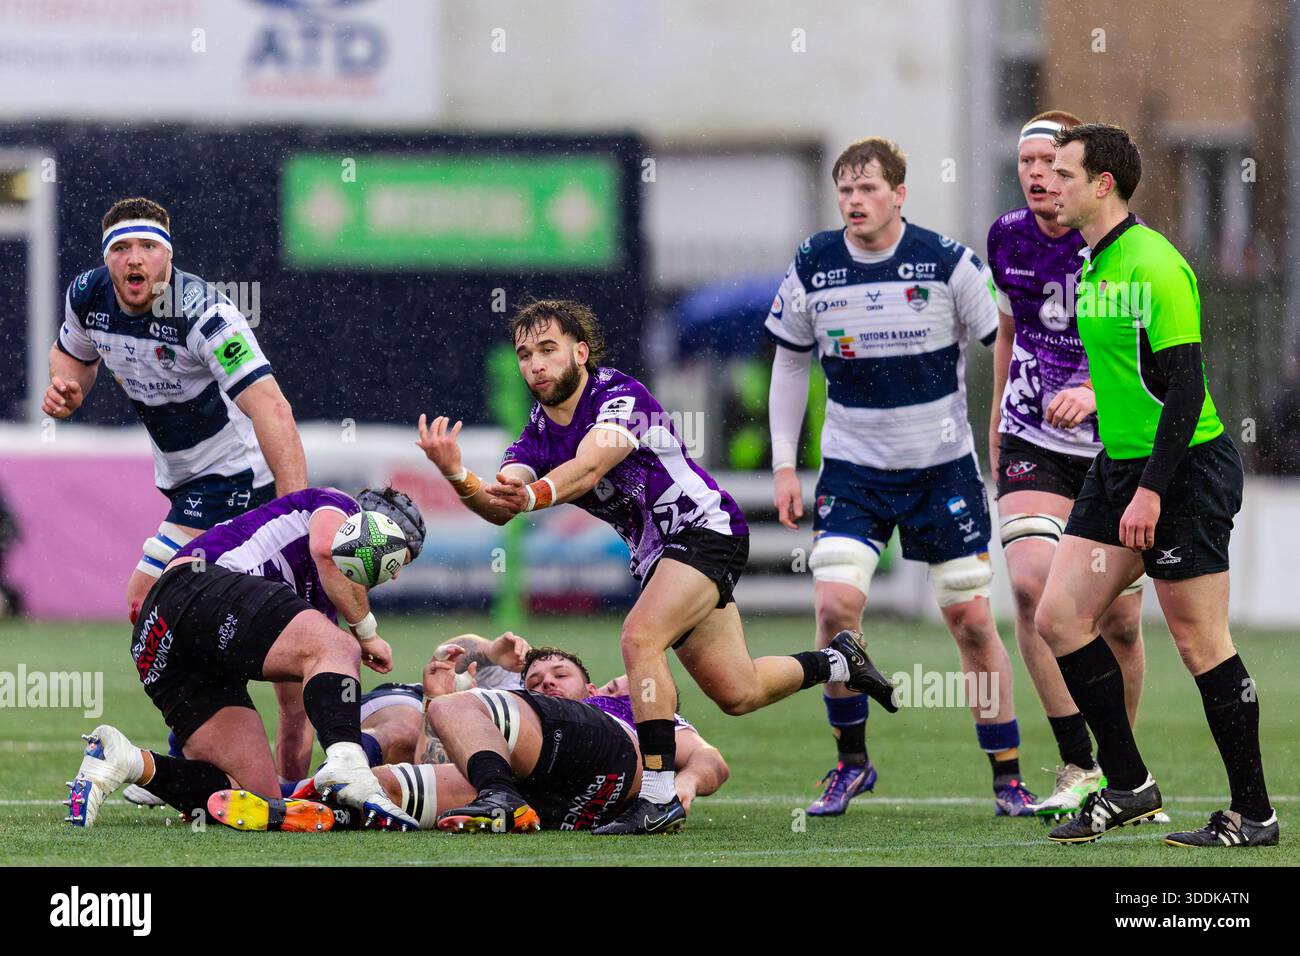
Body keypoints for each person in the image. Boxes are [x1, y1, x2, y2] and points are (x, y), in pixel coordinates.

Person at [417, 298, 898, 834]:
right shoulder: (536, 430)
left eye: (549, 349)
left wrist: (526, 496)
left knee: (638, 638)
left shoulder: (620, 395)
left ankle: (658, 794)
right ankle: (839, 660)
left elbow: (589, 465)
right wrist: (458, 474)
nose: (535, 364)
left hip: (704, 529)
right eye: (525, 354)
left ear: (581, 352)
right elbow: (501, 506)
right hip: (658, 556)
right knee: (738, 692)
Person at [767, 137, 1035, 817]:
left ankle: (1008, 776)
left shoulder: (947, 263)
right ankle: (851, 765)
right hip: (853, 471)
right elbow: (792, 361)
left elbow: (1007, 340)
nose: (853, 202)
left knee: (972, 621)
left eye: (867, 189)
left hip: (942, 470)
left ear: (898, 194)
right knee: (833, 612)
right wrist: (783, 462)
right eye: (845, 191)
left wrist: (1014, 430)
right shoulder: (815, 263)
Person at [1036, 123, 1277, 847]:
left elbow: (1184, 388)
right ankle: (1131, 784)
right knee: (1057, 619)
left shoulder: (1154, 265)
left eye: (1065, 173)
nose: (1051, 183)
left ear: (1102, 184)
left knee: (1201, 643)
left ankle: (1255, 815)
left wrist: (1152, 491)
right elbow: (1124, 371)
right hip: (1118, 469)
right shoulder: (1094, 264)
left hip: (1184, 470)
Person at [45, 197, 311, 783]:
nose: (134, 259)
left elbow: (273, 409)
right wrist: (65, 388)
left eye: (147, 247)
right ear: (107, 260)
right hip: (187, 482)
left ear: (169, 256)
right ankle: (231, 766)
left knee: (148, 600)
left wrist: (298, 511)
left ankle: (240, 767)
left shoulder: (206, 314)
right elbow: (74, 359)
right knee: (293, 665)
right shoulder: (87, 296)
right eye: (121, 248)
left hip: (234, 482)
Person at [63, 487, 425, 831]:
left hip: (157, 639)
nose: (392, 576)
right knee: (342, 647)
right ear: (371, 529)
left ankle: (127, 762)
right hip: (195, 585)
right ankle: (350, 767)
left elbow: (295, 715)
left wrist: (291, 795)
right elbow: (328, 551)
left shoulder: (315, 619)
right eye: (394, 561)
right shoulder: (340, 504)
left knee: (254, 801)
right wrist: (365, 631)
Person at [986, 111, 1149, 819]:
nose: (1037, 175)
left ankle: (1122, 771)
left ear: (1081, 174)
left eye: (1051, 162)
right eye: (1026, 162)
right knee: (1029, 585)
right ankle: (1076, 762)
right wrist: (996, 422)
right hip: (1033, 440)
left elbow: (1152, 350)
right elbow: (1010, 330)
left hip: (1112, 447)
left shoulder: (1114, 244)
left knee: (1117, 624)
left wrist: (1093, 391)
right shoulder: (1005, 237)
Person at [213, 645, 730, 833]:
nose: (545, 683)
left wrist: (676, 793)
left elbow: (711, 761)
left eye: (559, 676)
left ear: (589, 688)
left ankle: (499, 797)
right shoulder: (512, 717)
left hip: (606, 765)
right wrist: (435, 707)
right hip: (560, 806)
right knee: (383, 786)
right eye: (535, 679)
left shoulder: (617, 709)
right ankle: (320, 812)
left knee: (456, 703)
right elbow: (437, 763)